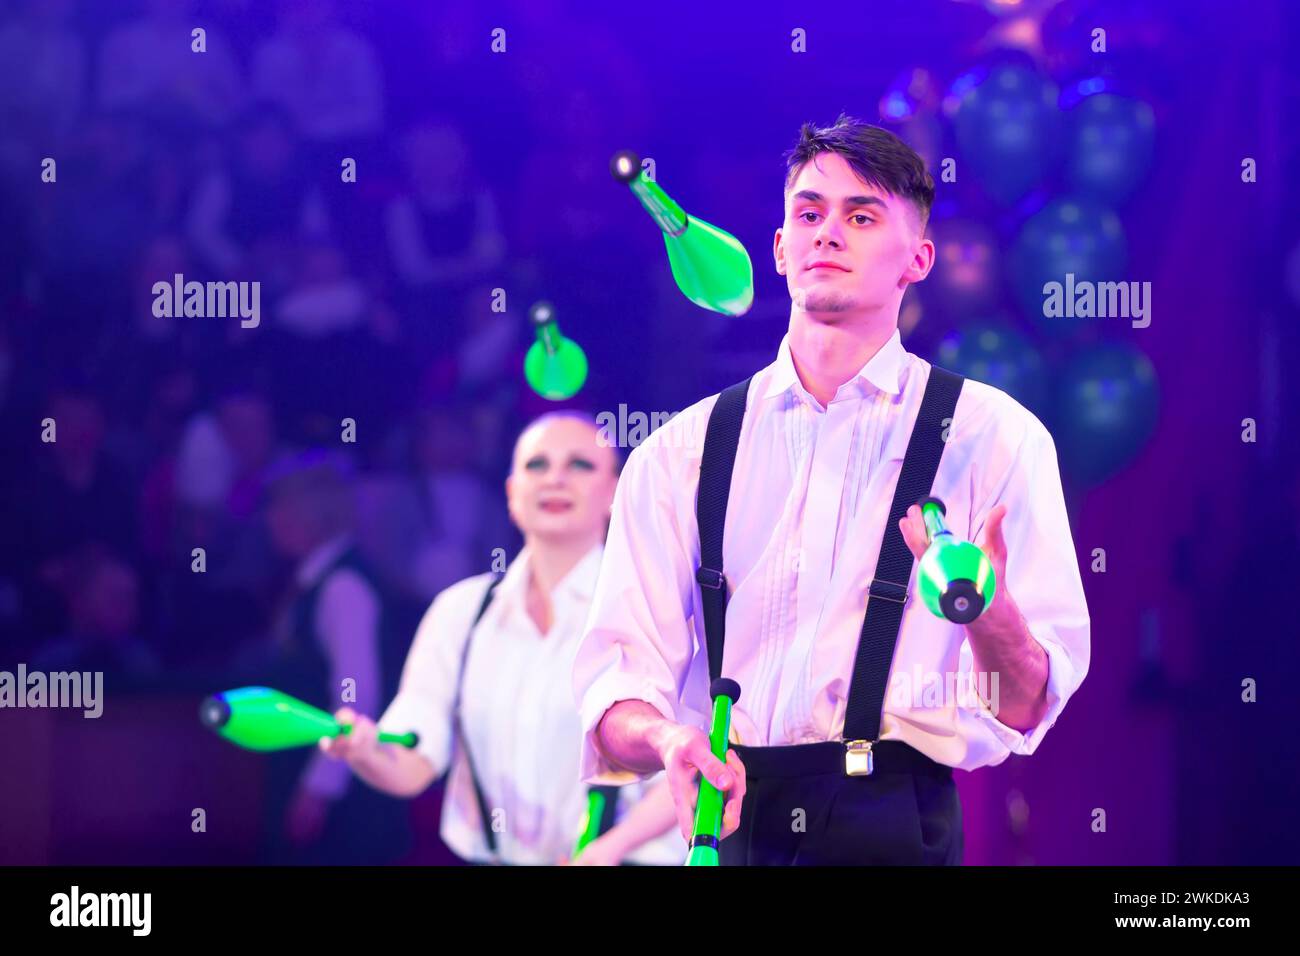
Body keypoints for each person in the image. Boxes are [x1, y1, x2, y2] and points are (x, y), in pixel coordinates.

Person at [573, 114, 1091, 866]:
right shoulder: (676, 455)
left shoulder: (994, 438)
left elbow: (1027, 706)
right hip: (734, 820)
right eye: (810, 214)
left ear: (917, 259)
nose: (828, 233)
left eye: (861, 215)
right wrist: (667, 736)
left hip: (896, 819)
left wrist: (989, 609)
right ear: (780, 248)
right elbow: (615, 686)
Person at [322, 412, 682, 865]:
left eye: (579, 465)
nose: (555, 478)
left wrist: (608, 849)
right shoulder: (462, 612)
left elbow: (686, 764)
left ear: (614, 491)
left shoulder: (649, 611)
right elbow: (414, 760)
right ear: (512, 494)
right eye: (537, 465)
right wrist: (365, 751)